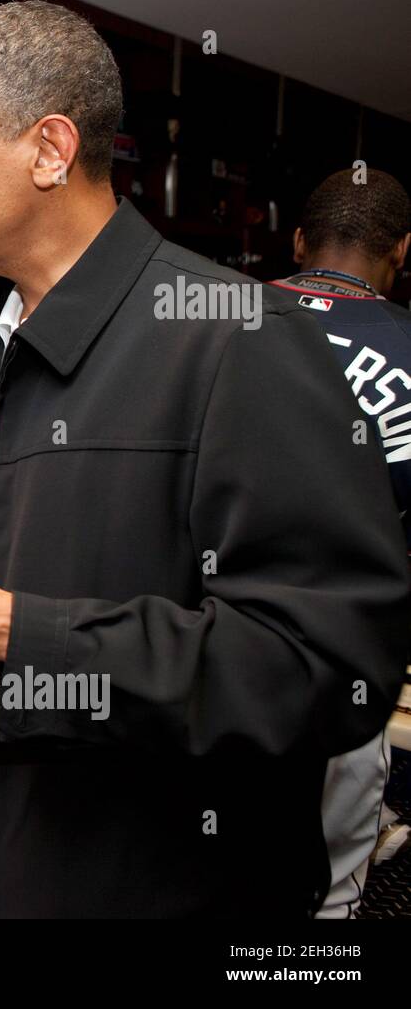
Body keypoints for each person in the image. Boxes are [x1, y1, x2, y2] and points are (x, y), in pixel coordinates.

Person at [0, 1, 410, 919]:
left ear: (50, 150)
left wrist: (8, 631)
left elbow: (328, 673)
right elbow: (11, 600)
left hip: (151, 876)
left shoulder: (239, 340)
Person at [268, 168, 411, 917]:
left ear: (298, 241)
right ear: (402, 251)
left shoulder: (207, 318)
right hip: (342, 656)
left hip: (190, 640)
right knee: (326, 891)